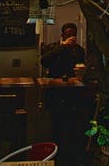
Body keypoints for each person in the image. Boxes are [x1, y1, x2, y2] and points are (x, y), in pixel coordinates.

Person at [40, 23, 89, 165]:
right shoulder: (53, 48)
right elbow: (44, 61)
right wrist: (63, 47)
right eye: (68, 34)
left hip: (72, 94)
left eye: (73, 34)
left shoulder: (78, 50)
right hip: (55, 94)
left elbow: (81, 66)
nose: (72, 37)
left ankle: (71, 158)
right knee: (56, 126)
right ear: (62, 35)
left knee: (73, 127)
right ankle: (55, 157)